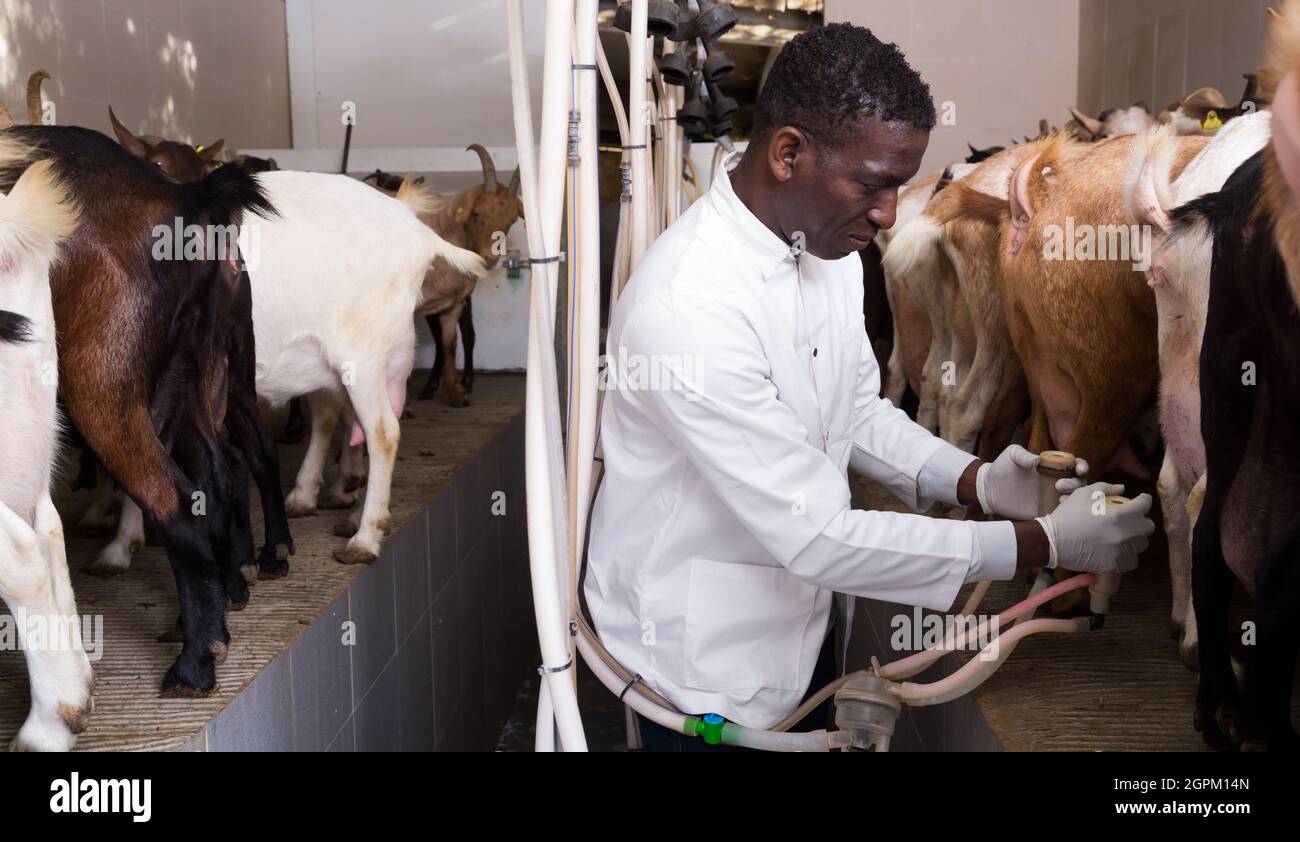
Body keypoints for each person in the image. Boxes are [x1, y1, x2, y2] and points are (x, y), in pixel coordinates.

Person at [585, 23, 1154, 751]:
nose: (890, 212)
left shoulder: (827, 250)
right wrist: (1037, 543)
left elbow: (853, 411)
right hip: (693, 667)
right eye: (873, 182)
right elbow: (818, 534)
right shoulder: (689, 305)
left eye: (899, 182)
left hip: (797, 625)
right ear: (789, 152)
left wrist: (977, 481)